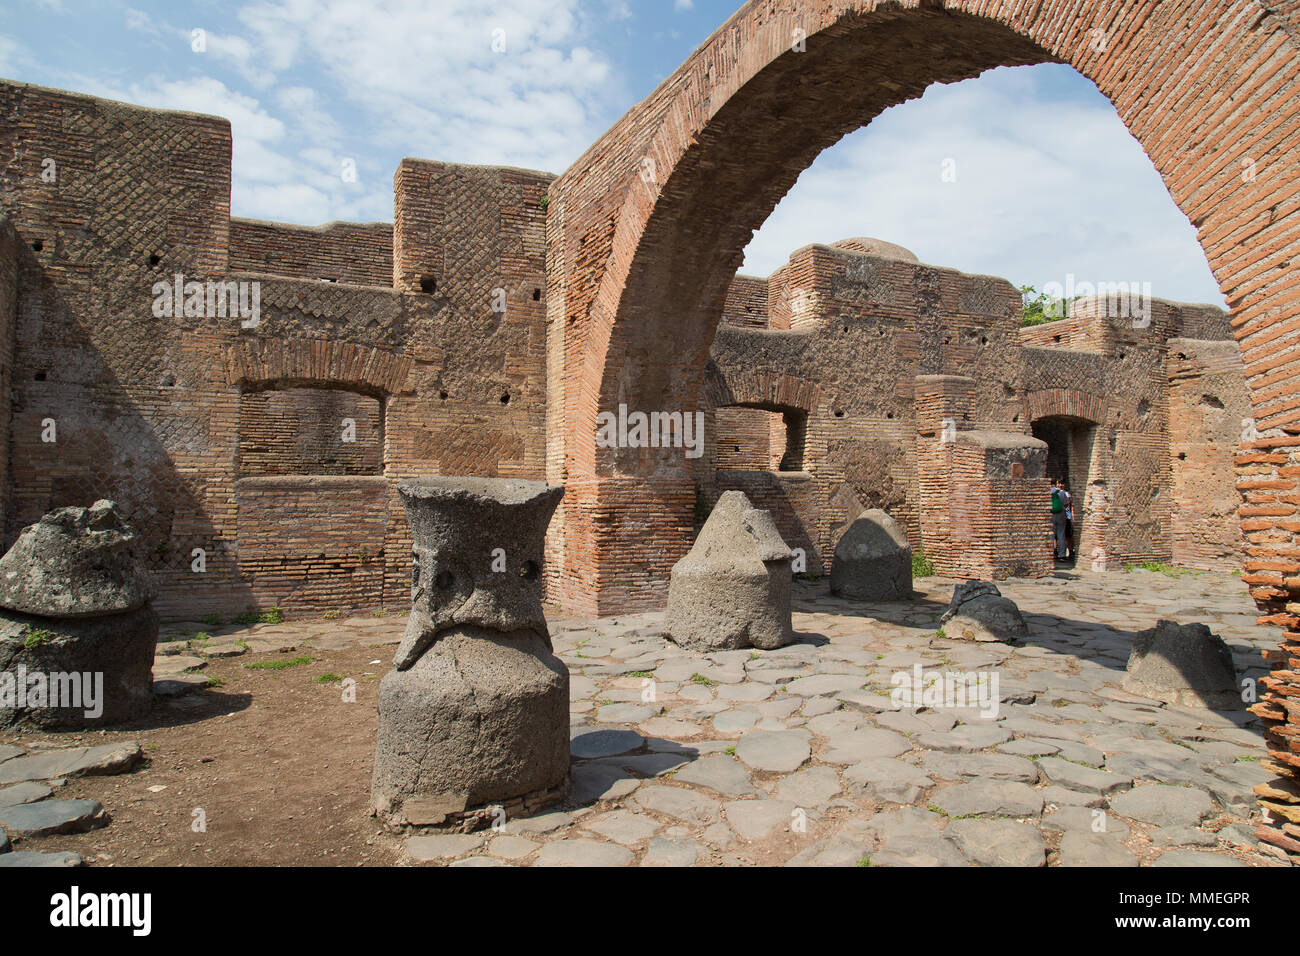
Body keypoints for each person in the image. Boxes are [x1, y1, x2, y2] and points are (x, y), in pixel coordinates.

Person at [1050, 478, 1069, 560]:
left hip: (1050, 515)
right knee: (1061, 535)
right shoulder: (1061, 492)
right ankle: (1062, 555)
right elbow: (1066, 504)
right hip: (1061, 515)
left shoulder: (1047, 492)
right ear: (1055, 483)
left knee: (1051, 534)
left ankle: (1051, 554)